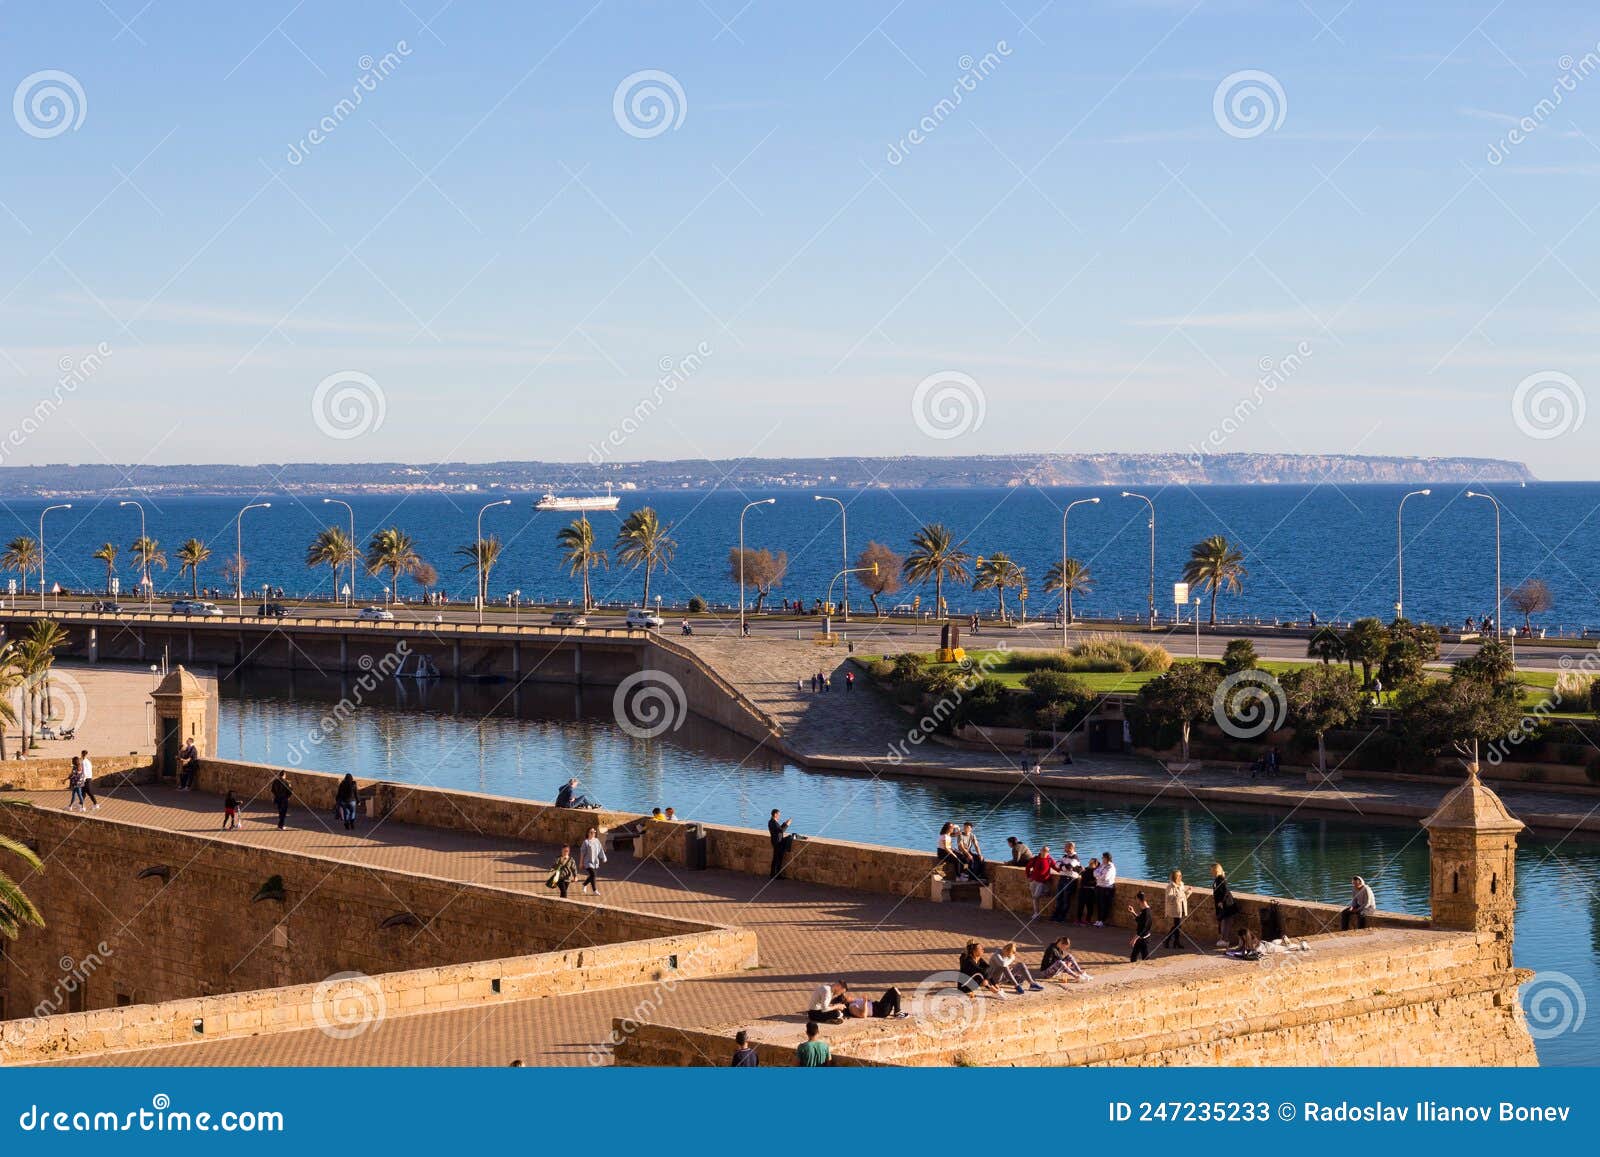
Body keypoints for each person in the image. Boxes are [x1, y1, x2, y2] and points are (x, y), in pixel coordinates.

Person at [1025, 844, 1057, 919]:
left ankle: (1047, 893)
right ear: (1040, 851)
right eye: (1043, 850)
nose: (1045, 852)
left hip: (1042, 882)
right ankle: (1036, 913)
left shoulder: (1049, 860)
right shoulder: (1035, 859)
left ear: (1048, 852)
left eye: (1046, 851)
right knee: (1034, 897)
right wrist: (1028, 876)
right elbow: (1028, 867)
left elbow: (1056, 868)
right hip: (1033, 881)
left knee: (1036, 897)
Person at [1052, 841, 1081, 922]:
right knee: (1059, 897)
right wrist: (1062, 866)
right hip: (1062, 878)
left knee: (1066, 899)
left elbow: (1069, 867)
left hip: (1070, 880)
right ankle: (1056, 914)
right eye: (1065, 847)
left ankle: (1062, 917)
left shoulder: (1075, 858)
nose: (1065, 849)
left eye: (1066, 847)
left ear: (1071, 848)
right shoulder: (1064, 856)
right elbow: (1056, 864)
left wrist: (1062, 866)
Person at [1212, 862, 1239, 948]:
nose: (1211, 872)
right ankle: (1224, 939)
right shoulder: (1217, 879)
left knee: (1227, 922)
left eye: (1212, 870)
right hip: (1224, 905)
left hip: (1227, 905)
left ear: (1216, 871)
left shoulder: (1220, 879)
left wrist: (1221, 902)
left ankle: (1225, 940)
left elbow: (1225, 891)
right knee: (1224, 921)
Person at [1163, 868, 1190, 950]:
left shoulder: (1181, 884)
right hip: (1175, 908)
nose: (1181, 877)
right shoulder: (1170, 886)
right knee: (1177, 926)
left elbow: (1183, 897)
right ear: (1176, 877)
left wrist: (1188, 892)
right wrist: (1178, 895)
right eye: (1180, 875)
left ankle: (1174, 941)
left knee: (1177, 926)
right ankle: (1169, 940)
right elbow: (1169, 898)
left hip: (1181, 907)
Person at [579, 826, 607, 895]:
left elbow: (600, 850)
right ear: (588, 833)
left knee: (592, 875)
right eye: (591, 832)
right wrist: (581, 863)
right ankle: (595, 890)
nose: (593, 833)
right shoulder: (586, 842)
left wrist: (603, 858)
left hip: (595, 862)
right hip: (588, 862)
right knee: (593, 874)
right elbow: (582, 853)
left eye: (594, 832)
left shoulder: (597, 840)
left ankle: (584, 884)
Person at [1128, 891, 1154, 962]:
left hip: (1143, 939)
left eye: (1136, 899)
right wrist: (1133, 912)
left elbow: (1143, 928)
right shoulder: (1145, 910)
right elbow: (1140, 920)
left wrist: (1134, 939)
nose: (1136, 901)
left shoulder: (1146, 913)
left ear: (1138, 899)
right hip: (1142, 938)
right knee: (1136, 957)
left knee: (1144, 957)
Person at [768, 809, 793, 878]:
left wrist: (785, 823)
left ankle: (773, 874)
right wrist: (787, 824)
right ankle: (776, 875)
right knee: (778, 859)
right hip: (777, 843)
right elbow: (781, 831)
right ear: (775, 814)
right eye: (778, 814)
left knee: (776, 858)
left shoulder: (772, 822)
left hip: (776, 842)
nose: (779, 816)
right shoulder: (773, 822)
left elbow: (779, 829)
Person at [1094, 851, 1117, 926]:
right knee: (1099, 904)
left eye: (1103, 857)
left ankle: (1103, 921)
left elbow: (1105, 877)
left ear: (1107, 858)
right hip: (1099, 887)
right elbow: (1094, 872)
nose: (1102, 859)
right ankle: (1099, 919)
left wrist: (1098, 875)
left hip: (1107, 888)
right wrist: (1099, 875)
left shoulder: (1110, 867)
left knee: (1104, 905)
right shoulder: (1102, 865)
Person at [1077, 857, 1101, 924]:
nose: (1089, 864)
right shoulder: (1085, 869)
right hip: (1082, 889)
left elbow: (1096, 881)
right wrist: (1079, 869)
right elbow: (1078, 872)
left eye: (1091, 863)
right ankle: (1078, 919)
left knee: (1090, 906)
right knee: (1080, 905)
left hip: (1091, 890)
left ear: (1095, 864)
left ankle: (1088, 920)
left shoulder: (1096, 871)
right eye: (1089, 862)